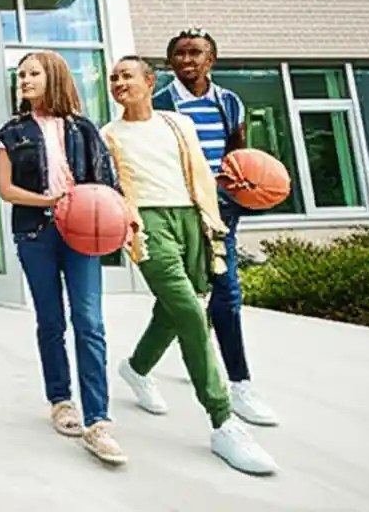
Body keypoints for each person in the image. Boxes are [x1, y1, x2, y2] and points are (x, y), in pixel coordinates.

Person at [103, 56, 277, 476]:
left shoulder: (178, 124)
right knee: (190, 311)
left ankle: (137, 367)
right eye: (113, 78)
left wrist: (214, 215)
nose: (119, 82)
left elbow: (200, 171)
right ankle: (223, 421)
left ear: (149, 81)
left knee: (174, 309)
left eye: (127, 75)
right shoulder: (108, 134)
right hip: (147, 224)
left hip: (193, 218)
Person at [0, 51, 125, 464]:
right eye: (21, 75)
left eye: (34, 73)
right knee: (50, 321)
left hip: (83, 232)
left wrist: (119, 220)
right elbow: (6, 190)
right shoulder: (11, 132)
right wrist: (49, 200)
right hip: (36, 233)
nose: (25, 80)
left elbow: (107, 184)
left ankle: (99, 419)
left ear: (55, 78)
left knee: (89, 321)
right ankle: (61, 400)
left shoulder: (84, 129)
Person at [151, 27, 278, 427]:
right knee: (181, 299)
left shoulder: (230, 103)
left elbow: (237, 155)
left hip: (221, 212)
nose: (188, 60)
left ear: (212, 60)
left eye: (197, 53)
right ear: (170, 62)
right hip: (177, 211)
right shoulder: (159, 105)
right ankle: (141, 367)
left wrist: (243, 193)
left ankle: (239, 384)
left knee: (226, 292)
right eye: (181, 54)